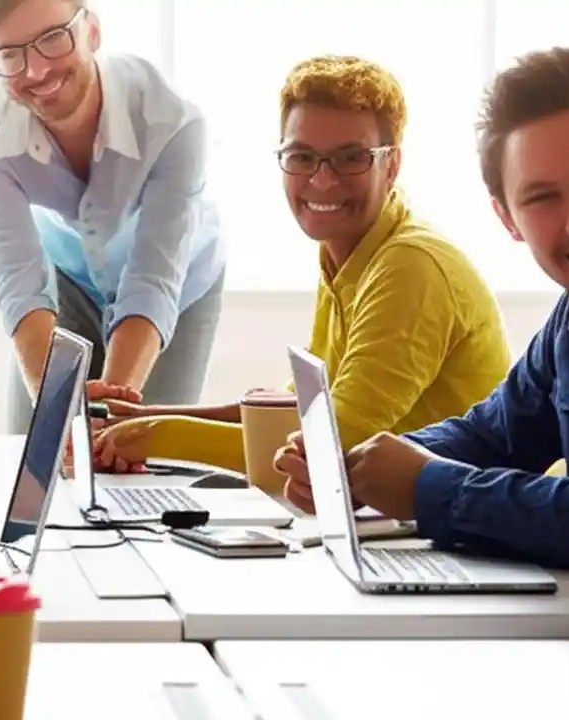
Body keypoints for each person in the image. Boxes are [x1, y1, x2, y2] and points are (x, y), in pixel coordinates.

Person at [275, 47, 569, 622]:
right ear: (508, 217)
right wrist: (353, 469)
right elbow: (492, 435)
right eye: (543, 197)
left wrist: (427, 487)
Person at [94, 55, 510, 472]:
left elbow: (324, 443)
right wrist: (137, 419)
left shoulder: (411, 267)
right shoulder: (348, 251)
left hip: (449, 511)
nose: (323, 180)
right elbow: (301, 409)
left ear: (392, 165)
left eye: (352, 157)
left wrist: (152, 437)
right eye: (302, 157)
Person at [0, 0, 224, 434]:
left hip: (176, 281)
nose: (36, 71)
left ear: (92, 32)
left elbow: (152, 281)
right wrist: (55, 411)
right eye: (9, 54)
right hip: (66, 275)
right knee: (38, 441)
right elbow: (18, 278)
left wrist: (105, 418)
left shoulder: (174, 120)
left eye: (52, 38)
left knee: (138, 444)